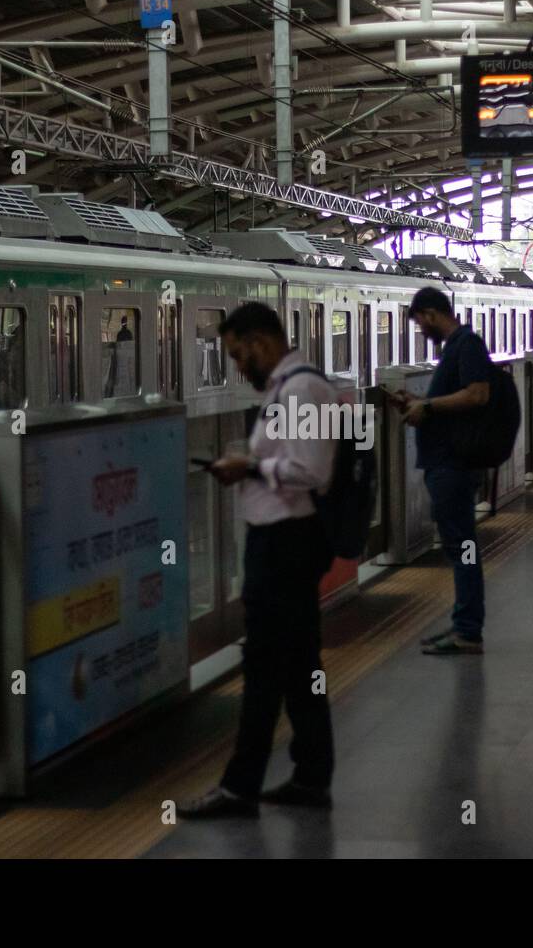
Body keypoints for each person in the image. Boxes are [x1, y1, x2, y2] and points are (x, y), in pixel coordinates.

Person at [177, 302, 337, 819]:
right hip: (281, 540)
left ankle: (240, 788)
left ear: (260, 342)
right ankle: (311, 776)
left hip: (286, 542)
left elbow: (309, 469)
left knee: (266, 668)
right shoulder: (284, 389)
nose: (236, 365)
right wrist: (251, 467)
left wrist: (249, 465)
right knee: (296, 666)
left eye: (237, 354)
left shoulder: (301, 389)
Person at [389, 286, 490, 656]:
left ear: (431, 314)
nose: (421, 331)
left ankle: (467, 630)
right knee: (459, 545)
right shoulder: (457, 348)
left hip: (453, 466)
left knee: (462, 546)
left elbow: (478, 394)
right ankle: (464, 623)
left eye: (419, 323)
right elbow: (454, 400)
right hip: (446, 465)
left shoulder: (467, 345)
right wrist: (420, 403)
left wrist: (427, 408)